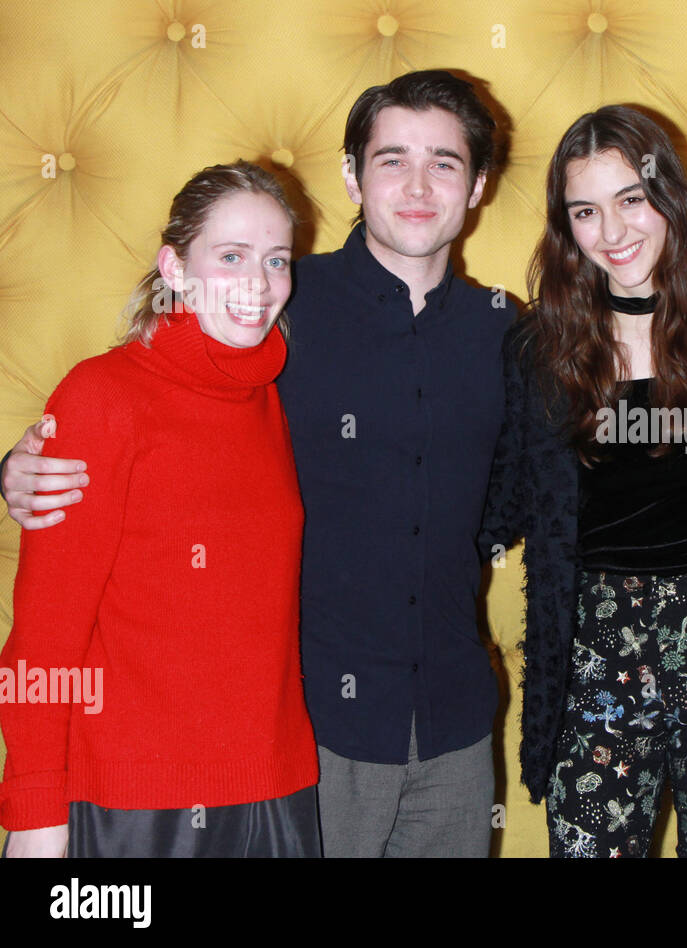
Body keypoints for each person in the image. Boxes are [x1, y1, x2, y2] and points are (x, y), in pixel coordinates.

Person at [0, 70, 513, 857]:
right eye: (391, 159)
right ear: (351, 174)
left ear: (476, 185)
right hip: (314, 740)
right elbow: (145, 405)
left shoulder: (504, 335)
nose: (417, 185)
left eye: (444, 162)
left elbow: (537, 494)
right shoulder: (278, 313)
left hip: (435, 732)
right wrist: (23, 464)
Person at [478, 105, 687, 858]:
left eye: (632, 199)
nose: (614, 232)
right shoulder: (540, 345)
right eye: (586, 211)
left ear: (672, 197)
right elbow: (500, 499)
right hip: (594, 649)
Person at [0, 161, 320, 857]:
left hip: (275, 792)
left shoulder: (269, 399)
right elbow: (44, 639)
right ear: (174, 268)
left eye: (276, 260)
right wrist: (33, 814)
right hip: (132, 808)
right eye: (230, 257)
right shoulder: (100, 397)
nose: (258, 285)